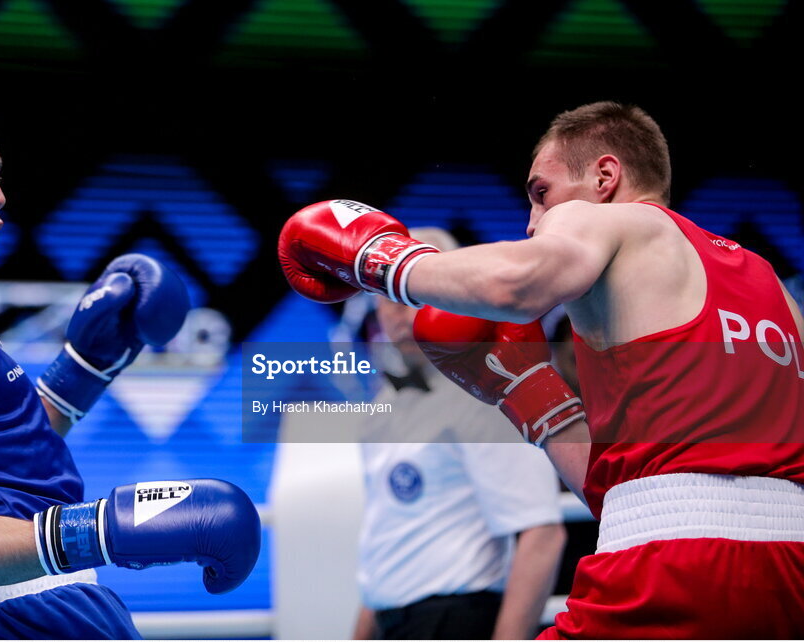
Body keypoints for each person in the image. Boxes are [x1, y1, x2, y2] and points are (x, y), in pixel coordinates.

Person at [278, 101, 804, 638]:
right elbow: (623, 496)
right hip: (788, 572)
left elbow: (516, 286)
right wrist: (533, 400)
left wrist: (381, 259)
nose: (534, 224)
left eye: (541, 194)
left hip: (671, 567)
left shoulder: (612, 221)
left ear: (605, 176)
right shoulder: (771, 287)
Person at [0, 82, 261, 640]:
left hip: (56, 606)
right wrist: (104, 530)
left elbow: (4, 456)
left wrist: (84, 367)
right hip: (18, 618)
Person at [352, 227, 566, 640]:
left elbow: (541, 533)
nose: (397, 306)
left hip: (455, 619)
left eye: (412, 289)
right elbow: (387, 534)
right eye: (385, 289)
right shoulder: (382, 403)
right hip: (391, 619)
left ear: (452, 291)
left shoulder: (488, 391)